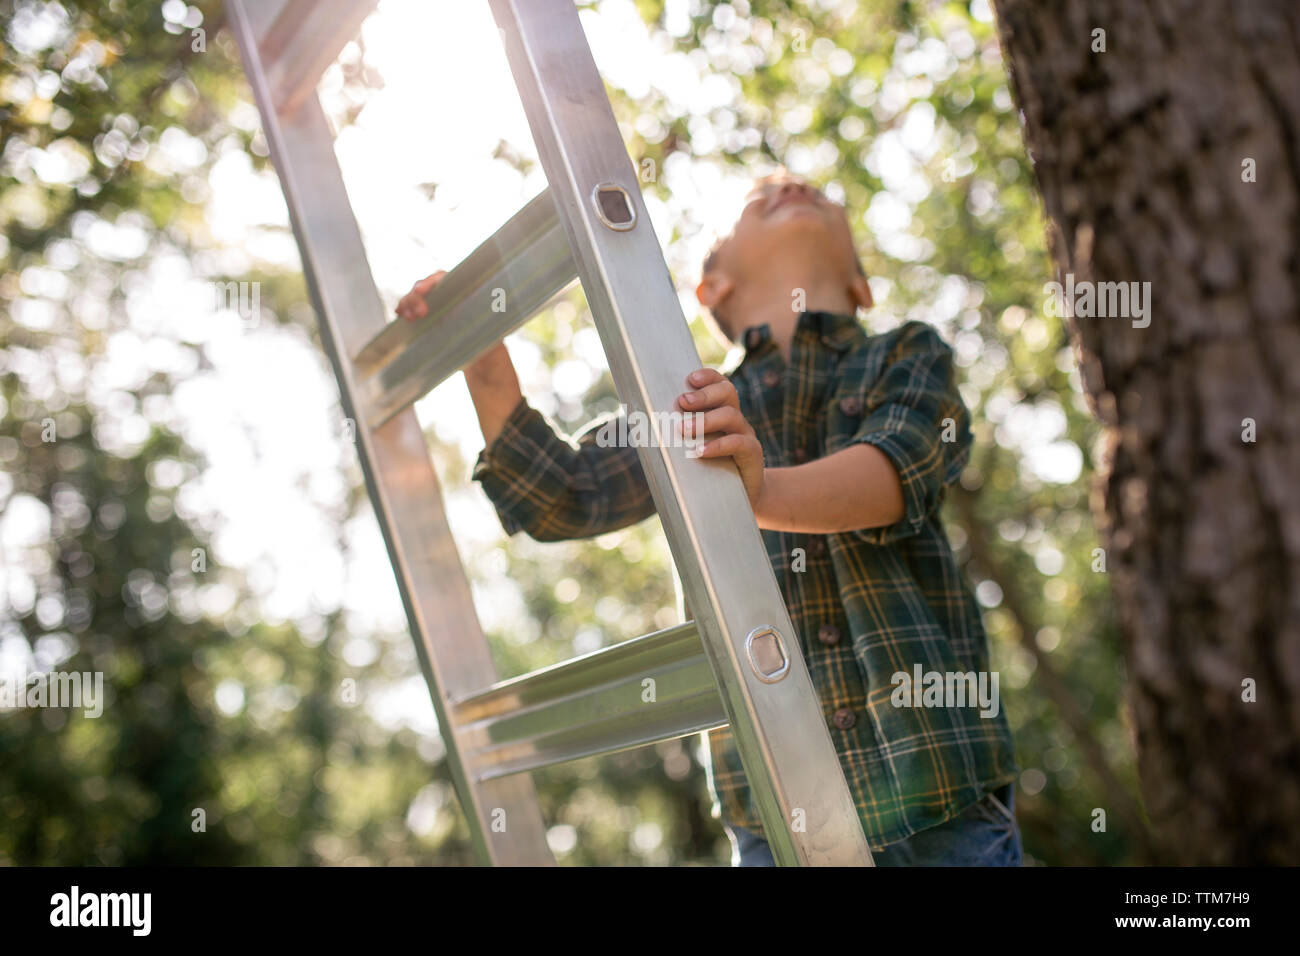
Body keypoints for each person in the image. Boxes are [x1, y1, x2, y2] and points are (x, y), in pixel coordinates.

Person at [397, 170, 1021, 866]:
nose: (792, 185)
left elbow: (896, 470)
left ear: (863, 285)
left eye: (814, 189)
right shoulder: (684, 402)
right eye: (763, 194)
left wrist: (753, 491)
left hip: (942, 796)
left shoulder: (905, 353)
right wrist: (482, 362)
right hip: (777, 815)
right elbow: (566, 494)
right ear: (711, 284)